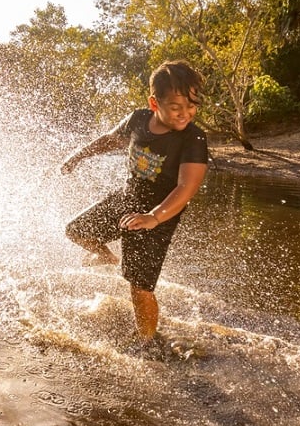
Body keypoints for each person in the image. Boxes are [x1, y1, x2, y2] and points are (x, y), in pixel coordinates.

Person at [61, 60, 209, 351]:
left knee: (139, 286)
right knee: (76, 230)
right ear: (154, 102)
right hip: (127, 198)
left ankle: (146, 341)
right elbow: (109, 140)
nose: (186, 113)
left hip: (162, 212)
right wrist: (79, 155)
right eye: (177, 106)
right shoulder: (138, 120)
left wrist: (153, 217)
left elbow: (186, 187)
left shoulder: (194, 138)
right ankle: (106, 256)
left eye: (192, 106)